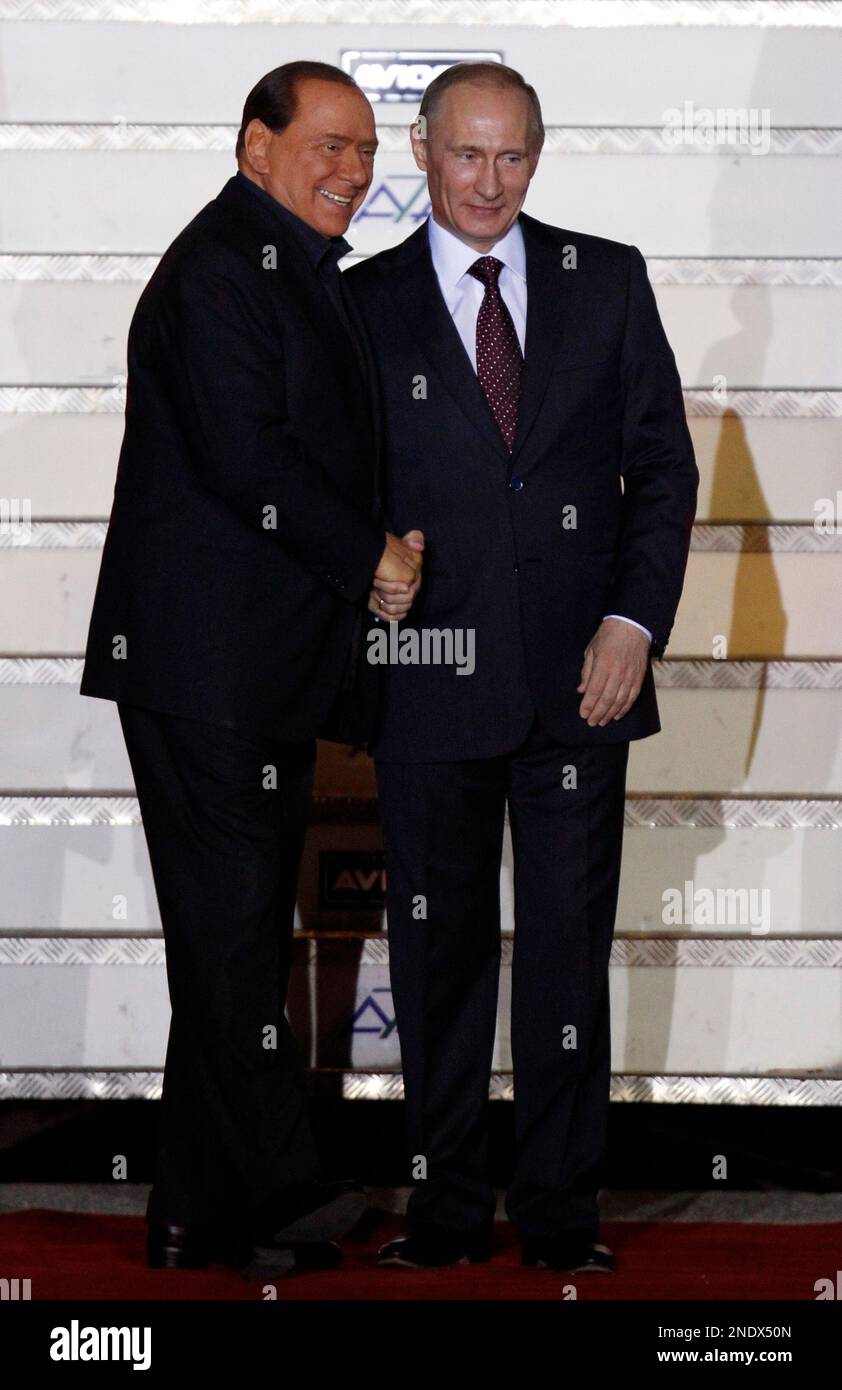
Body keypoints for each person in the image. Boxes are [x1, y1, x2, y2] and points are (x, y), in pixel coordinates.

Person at [347, 61, 698, 1274]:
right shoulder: (360, 303)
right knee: (435, 961)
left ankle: (558, 1213)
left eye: (512, 158)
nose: (488, 182)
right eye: (465, 155)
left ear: (535, 159)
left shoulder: (604, 279)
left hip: (578, 682)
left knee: (563, 956)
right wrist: (366, 569)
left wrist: (632, 621)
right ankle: (443, 1214)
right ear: (422, 149)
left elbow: (661, 470)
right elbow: (332, 489)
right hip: (428, 680)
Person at [80, 60, 422, 1276]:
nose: (353, 170)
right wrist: (371, 555)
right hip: (202, 668)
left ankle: (191, 1211)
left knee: (230, 941)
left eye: (365, 149)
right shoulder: (221, 270)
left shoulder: (280, 266)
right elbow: (250, 461)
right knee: (230, 947)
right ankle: (284, 1184)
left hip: (247, 671)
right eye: (326, 143)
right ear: (254, 145)